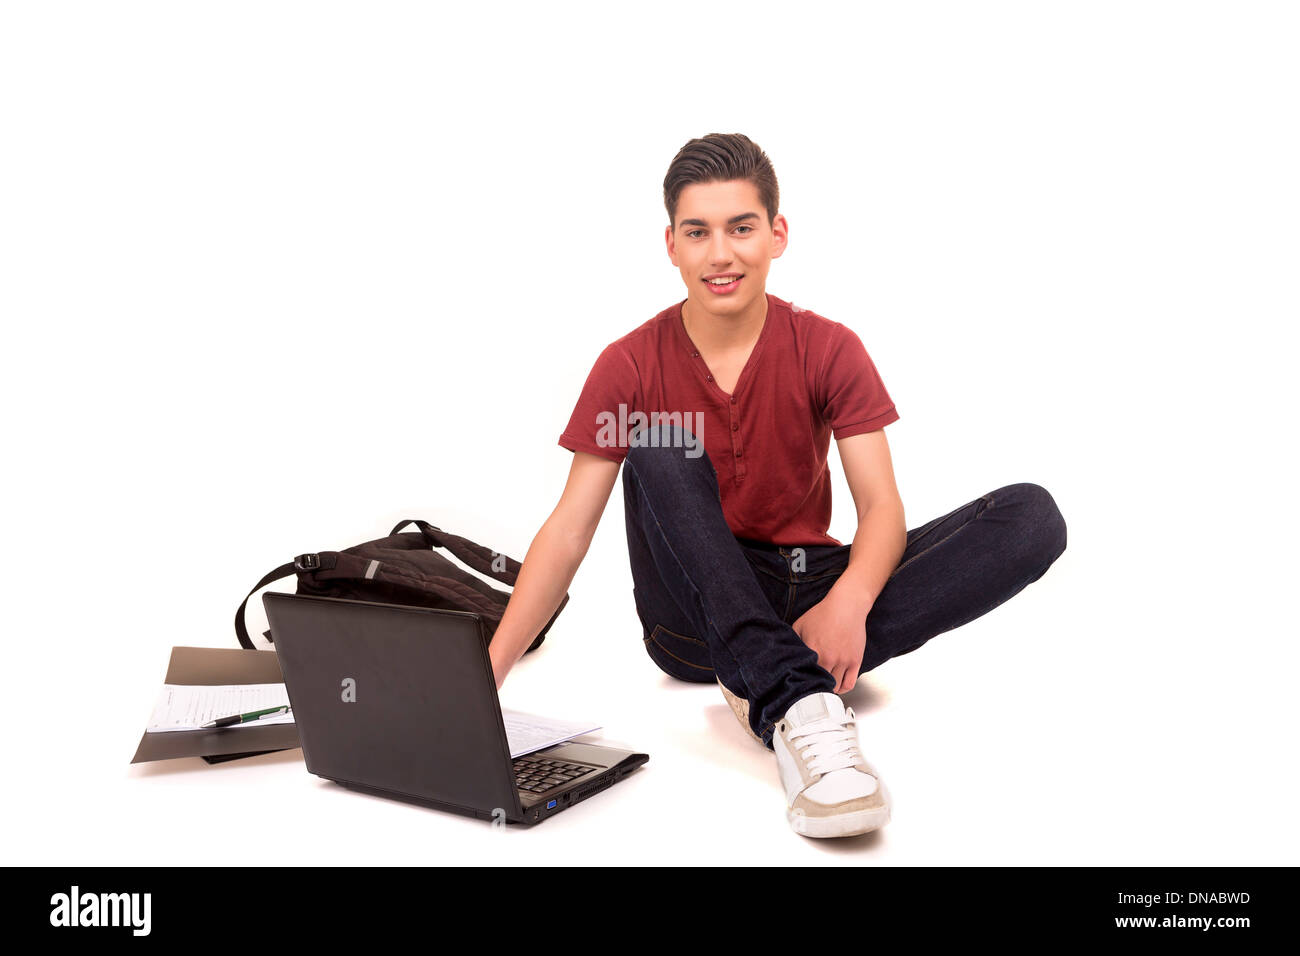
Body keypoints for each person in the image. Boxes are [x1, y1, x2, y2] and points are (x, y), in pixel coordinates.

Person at [488, 132, 1067, 838]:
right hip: (692, 620)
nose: (721, 253)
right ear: (671, 244)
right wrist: (487, 677)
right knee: (656, 438)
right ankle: (798, 703)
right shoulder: (629, 364)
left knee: (1032, 516)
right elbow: (570, 530)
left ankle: (765, 668)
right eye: (698, 233)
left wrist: (849, 603)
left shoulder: (828, 347)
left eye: (741, 228)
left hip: (813, 592)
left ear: (777, 234)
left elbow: (881, 507)